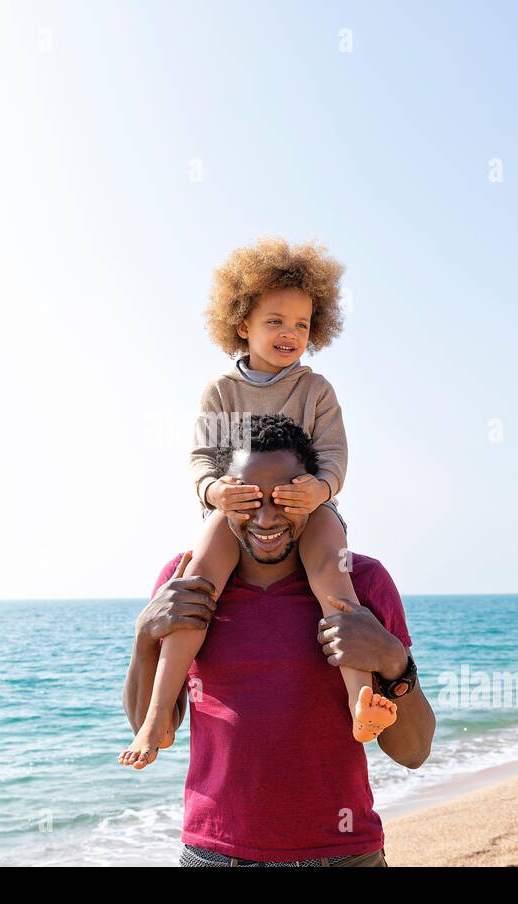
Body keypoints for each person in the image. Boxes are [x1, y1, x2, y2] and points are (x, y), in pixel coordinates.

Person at [119, 236, 398, 770]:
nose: (289, 334)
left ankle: (359, 700)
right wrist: (214, 492)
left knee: (333, 579)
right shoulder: (220, 391)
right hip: (238, 508)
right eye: (275, 321)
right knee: (196, 581)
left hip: (307, 508)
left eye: (301, 325)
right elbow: (201, 457)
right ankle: (158, 714)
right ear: (242, 322)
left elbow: (335, 456)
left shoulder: (316, 389)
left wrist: (319, 490)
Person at [121, 415, 436, 865]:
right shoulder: (186, 582)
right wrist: (143, 637)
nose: (266, 518)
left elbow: (413, 752)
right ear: (222, 498)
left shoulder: (362, 581)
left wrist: (393, 661)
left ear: (311, 495)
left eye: (284, 499)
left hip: (343, 854)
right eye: (248, 500)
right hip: (213, 854)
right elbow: (153, 730)